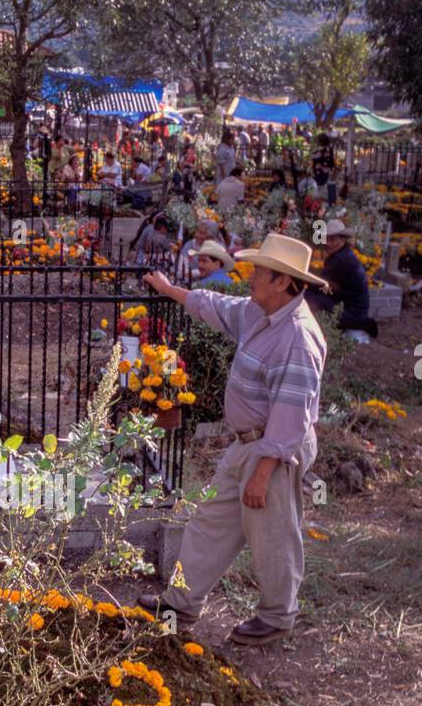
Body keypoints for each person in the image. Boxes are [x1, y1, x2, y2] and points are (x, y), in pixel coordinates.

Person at [140, 233, 328, 645]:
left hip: (274, 452)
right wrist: (169, 289)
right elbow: (214, 306)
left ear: (283, 282)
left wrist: (263, 473)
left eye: (259, 271)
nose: (250, 277)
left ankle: (278, 617)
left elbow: (290, 419)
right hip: (247, 444)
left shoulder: (297, 337)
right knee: (209, 523)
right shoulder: (258, 313)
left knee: (272, 536)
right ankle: (180, 603)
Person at [304, 220, 377, 343]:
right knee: (311, 295)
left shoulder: (341, 260)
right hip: (349, 305)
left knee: (307, 298)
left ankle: (310, 334)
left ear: (343, 240)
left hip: (352, 312)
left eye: (332, 240)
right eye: (327, 239)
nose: (328, 243)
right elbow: (328, 286)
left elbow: (323, 285)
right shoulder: (342, 255)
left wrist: (302, 281)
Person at [311, 133, 337, 207]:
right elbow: (331, 160)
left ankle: (323, 204)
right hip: (325, 171)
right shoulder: (329, 148)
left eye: (317, 140)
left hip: (321, 172)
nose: (316, 142)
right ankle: (330, 203)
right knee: (328, 189)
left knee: (321, 189)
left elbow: (315, 157)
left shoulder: (322, 149)